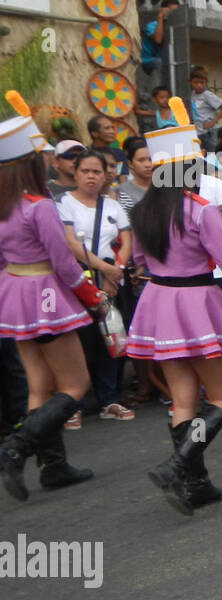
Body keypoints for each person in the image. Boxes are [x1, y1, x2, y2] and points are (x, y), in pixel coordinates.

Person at [125, 98, 222, 515]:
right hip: (197, 300)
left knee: (182, 400)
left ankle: (196, 483)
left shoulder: (143, 210)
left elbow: (141, 263)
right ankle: (178, 464)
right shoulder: (199, 210)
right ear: (190, 167)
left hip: (159, 302)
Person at [0, 91, 106, 502]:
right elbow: (63, 263)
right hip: (46, 294)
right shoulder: (39, 205)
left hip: (14, 295)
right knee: (75, 385)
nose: (46, 160)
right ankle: (17, 447)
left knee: (39, 386)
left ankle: (54, 466)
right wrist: (91, 296)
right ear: (29, 161)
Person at [58, 149, 135, 422]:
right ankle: (72, 405)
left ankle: (109, 400)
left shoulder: (113, 206)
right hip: (79, 280)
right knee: (80, 341)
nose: (91, 176)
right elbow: (70, 243)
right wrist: (105, 270)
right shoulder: (63, 203)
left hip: (113, 279)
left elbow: (127, 241)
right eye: (85, 171)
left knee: (111, 337)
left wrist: (116, 272)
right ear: (75, 173)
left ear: (105, 175)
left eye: (97, 172)